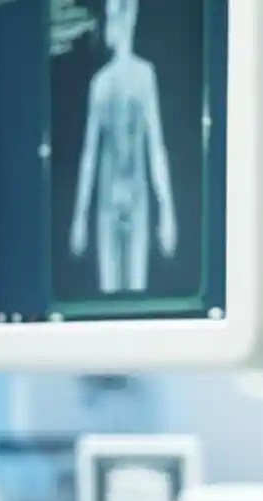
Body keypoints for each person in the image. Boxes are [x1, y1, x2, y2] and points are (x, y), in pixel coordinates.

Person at [69, 0, 177, 295]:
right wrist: (79, 218)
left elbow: (156, 145)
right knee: (110, 296)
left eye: (112, 15)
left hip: (136, 195)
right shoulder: (101, 83)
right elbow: (89, 155)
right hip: (108, 198)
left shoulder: (144, 76)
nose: (107, 25)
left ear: (127, 19)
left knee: (136, 294)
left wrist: (167, 211)